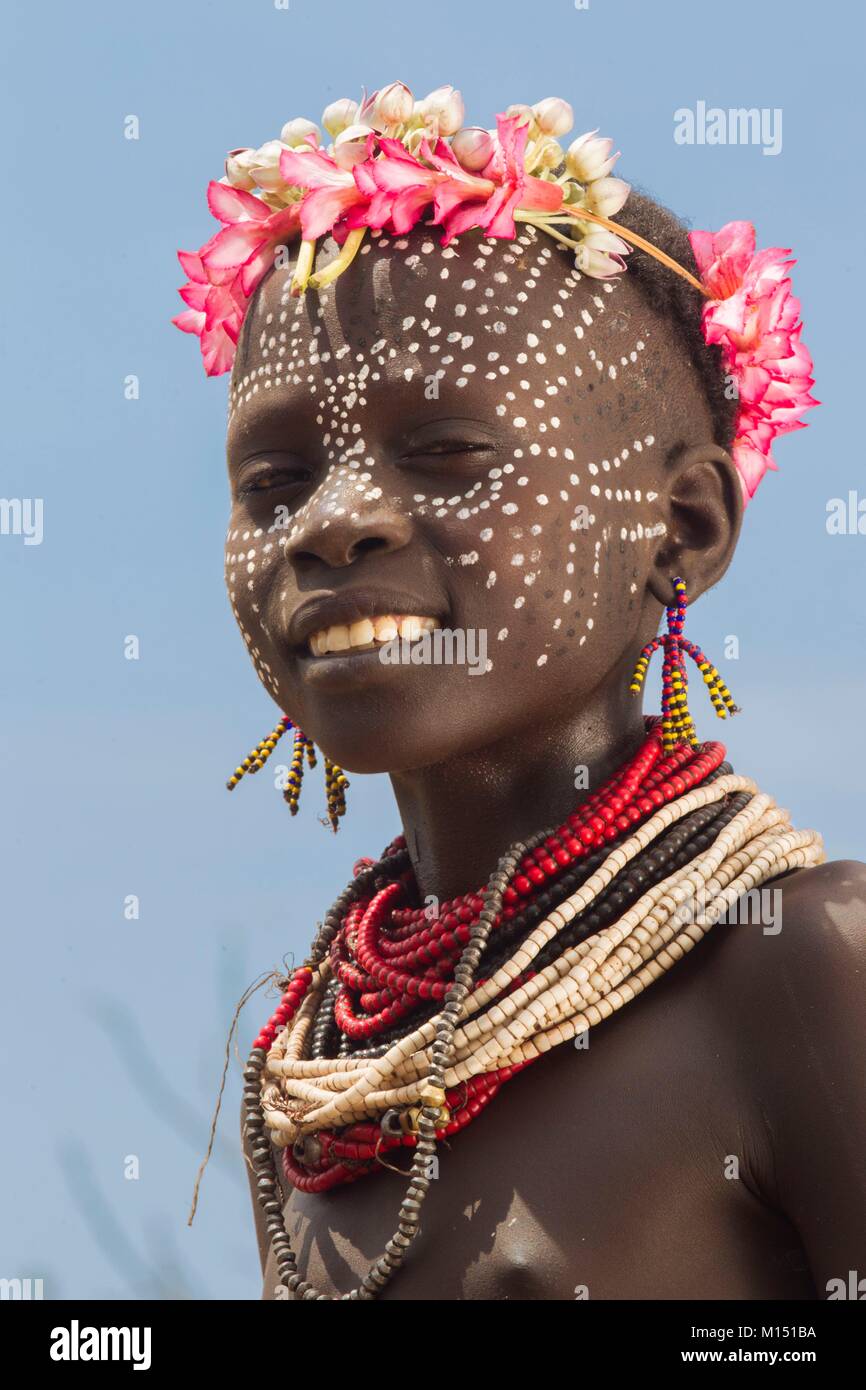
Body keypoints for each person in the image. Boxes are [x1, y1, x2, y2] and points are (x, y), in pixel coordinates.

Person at [176, 86, 866, 1301]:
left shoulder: (806, 966)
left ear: (685, 526)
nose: (332, 523)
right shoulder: (321, 1077)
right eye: (274, 478)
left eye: (445, 451)